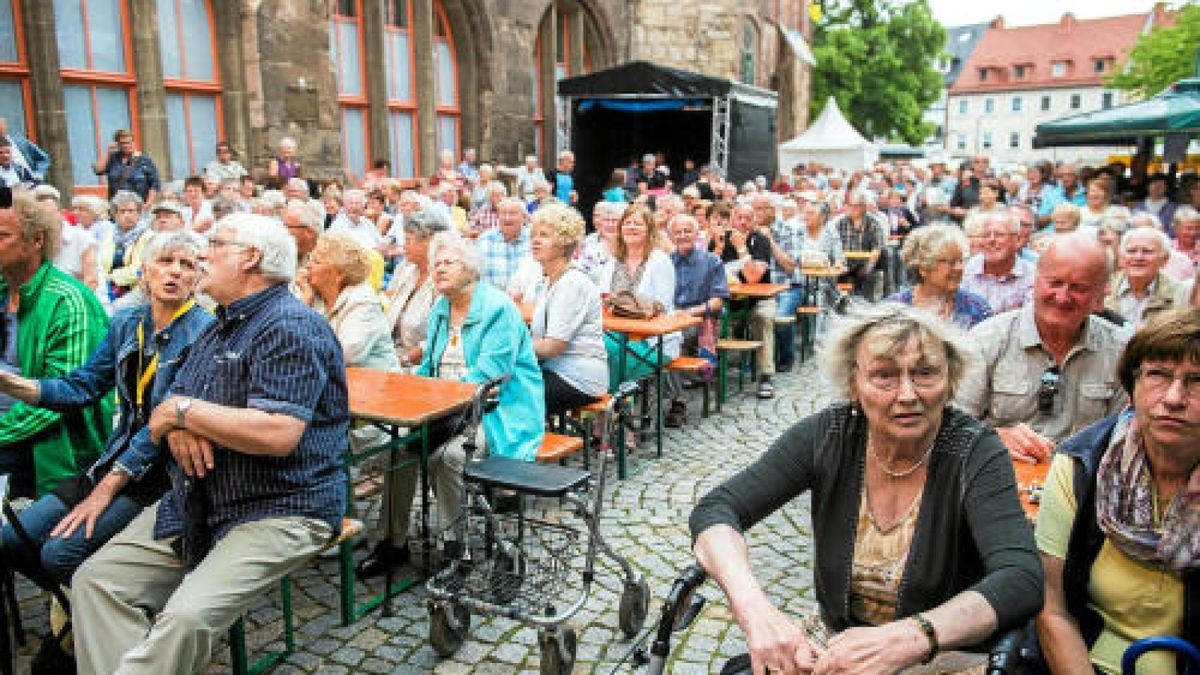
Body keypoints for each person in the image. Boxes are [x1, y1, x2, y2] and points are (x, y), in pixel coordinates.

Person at [690, 302, 1042, 675]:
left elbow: (1020, 576)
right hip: (838, 646)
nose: (907, 394)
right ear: (853, 385)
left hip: (942, 656)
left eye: (925, 373)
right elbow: (717, 509)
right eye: (884, 376)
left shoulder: (974, 450)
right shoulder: (828, 436)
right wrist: (757, 613)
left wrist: (913, 636)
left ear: (951, 381)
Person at [70, 213, 349, 673]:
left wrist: (183, 413)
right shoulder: (218, 325)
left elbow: (278, 431)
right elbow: (169, 403)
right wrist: (178, 422)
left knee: (186, 618)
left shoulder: (290, 326)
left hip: (279, 507)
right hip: (199, 498)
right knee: (97, 583)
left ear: (250, 258)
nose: (202, 256)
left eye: (214, 244)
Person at [0, 232, 211, 587]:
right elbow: (83, 386)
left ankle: (125, 615)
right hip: (114, 459)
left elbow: (158, 427)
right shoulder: (128, 322)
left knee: (58, 554)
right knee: (11, 540)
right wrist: (15, 385)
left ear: (197, 279)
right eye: (165, 261)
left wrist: (107, 488)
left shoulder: (203, 332)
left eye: (186, 265)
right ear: (145, 271)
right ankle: (78, 610)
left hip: (162, 477)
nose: (174, 272)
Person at [1035, 309, 1200, 675]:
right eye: (1157, 375)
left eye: (1197, 380)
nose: (1174, 398)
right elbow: (1052, 606)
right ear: (1132, 384)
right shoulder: (1082, 465)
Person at [417, 233, 543, 550]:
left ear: (470, 268)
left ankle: (453, 543)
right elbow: (428, 367)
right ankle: (390, 541)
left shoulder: (497, 309)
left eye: (449, 262)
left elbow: (488, 379)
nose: (439, 269)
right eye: (435, 264)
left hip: (500, 410)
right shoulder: (441, 309)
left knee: (449, 457)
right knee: (400, 447)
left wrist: (435, 400)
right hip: (449, 410)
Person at [957, 233, 1130, 463]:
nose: (1062, 297)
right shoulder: (985, 341)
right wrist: (992, 438)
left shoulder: (1120, 351)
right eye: (1055, 283)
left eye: (1078, 288)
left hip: (1084, 485)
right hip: (999, 478)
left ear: (1101, 294)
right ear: (1034, 280)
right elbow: (953, 428)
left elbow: (1124, 440)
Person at [0, 190, 112, 498]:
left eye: (2, 236)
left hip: (48, 443)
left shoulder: (67, 301)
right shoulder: (4, 287)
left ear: (36, 240)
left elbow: (61, 397)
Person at [528, 203, 607, 416]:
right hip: (555, 371)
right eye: (533, 234)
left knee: (508, 397)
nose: (535, 240)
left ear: (564, 243)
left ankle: (512, 448)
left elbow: (553, 346)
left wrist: (512, 346)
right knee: (496, 388)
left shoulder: (572, 283)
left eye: (544, 235)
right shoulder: (549, 280)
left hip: (578, 378)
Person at [598, 203, 678, 392]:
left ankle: (612, 404)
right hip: (615, 333)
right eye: (627, 223)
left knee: (608, 350)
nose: (631, 227)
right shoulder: (613, 261)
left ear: (649, 230)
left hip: (653, 342)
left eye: (638, 224)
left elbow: (662, 306)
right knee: (593, 346)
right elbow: (602, 298)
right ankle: (608, 404)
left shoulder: (659, 260)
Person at [666, 213, 729, 425]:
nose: (683, 235)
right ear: (671, 236)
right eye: (678, 232)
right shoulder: (666, 263)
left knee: (672, 340)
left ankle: (678, 402)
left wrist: (691, 312)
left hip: (702, 321)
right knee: (660, 341)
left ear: (696, 234)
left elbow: (718, 301)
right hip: (671, 321)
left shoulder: (712, 261)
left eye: (687, 231)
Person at [720, 201, 782, 398]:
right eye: (739, 218)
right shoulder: (721, 240)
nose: (743, 222)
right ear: (731, 220)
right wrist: (719, 245)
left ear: (754, 222)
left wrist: (741, 248)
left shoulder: (760, 240)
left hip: (760, 298)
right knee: (708, 317)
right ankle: (709, 369)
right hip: (729, 299)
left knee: (763, 318)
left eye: (748, 218)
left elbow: (753, 277)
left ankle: (766, 375)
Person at [887, 225, 993, 329]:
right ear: (923, 268)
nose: (959, 268)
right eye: (951, 262)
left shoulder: (978, 309)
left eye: (961, 261)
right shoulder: (894, 310)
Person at [383, 210, 445, 370]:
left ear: (430, 242)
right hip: (390, 354)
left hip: (421, 365)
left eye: (409, 241)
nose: (404, 246)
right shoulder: (405, 268)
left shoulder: (442, 279)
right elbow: (388, 303)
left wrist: (403, 360)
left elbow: (439, 337)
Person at [960, 211, 1037, 315]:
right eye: (986, 235)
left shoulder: (1031, 275)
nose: (991, 240)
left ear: (1017, 240)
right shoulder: (968, 268)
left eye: (999, 235)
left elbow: (1029, 319)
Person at [1105, 228, 1178, 326]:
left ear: (1164, 259)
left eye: (1147, 251)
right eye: (1131, 251)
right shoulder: (1103, 288)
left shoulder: (1180, 292)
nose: (1138, 257)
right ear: (1121, 257)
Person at [832, 190, 886, 301]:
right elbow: (834, 245)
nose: (851, 209)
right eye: (849, 205)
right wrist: (838, 262)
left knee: (865, 278)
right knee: (833, 279)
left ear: (863, 207)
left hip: (863, 263)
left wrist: (868, 267)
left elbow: (877, 248)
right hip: (844, 263)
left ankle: (862, 305)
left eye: (855, 206)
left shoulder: (873, 224)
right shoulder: (840, 223)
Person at [92, 129, 161, 202]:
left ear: (133, 142)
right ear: (117, 144)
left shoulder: (145, 160)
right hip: (116, 205)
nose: (126, 145)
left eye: (129, 142)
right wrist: (108, 153)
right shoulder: (113, 158)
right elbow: (98, 170)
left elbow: (155, 184)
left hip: (138, 205)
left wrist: (148, 203)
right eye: (123, 143)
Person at [476, 197, 530, 290]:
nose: (507, 218)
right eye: (503, 214)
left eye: (512, 214)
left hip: (528, 302)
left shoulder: (533, 240)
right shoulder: (484, 240)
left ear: (524, 218)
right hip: (493, 301)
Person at [576, 200, 621, 282]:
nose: (610, 225)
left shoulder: (629, 245)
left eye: (615, 221)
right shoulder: (588, 245)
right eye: (606, 220)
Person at [0, 117, 49, 182]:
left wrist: (38, 174)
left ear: (5, 129)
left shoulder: (22, 143)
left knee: (52, 191)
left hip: (32, 184)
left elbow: (43, 158)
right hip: (10, 186)